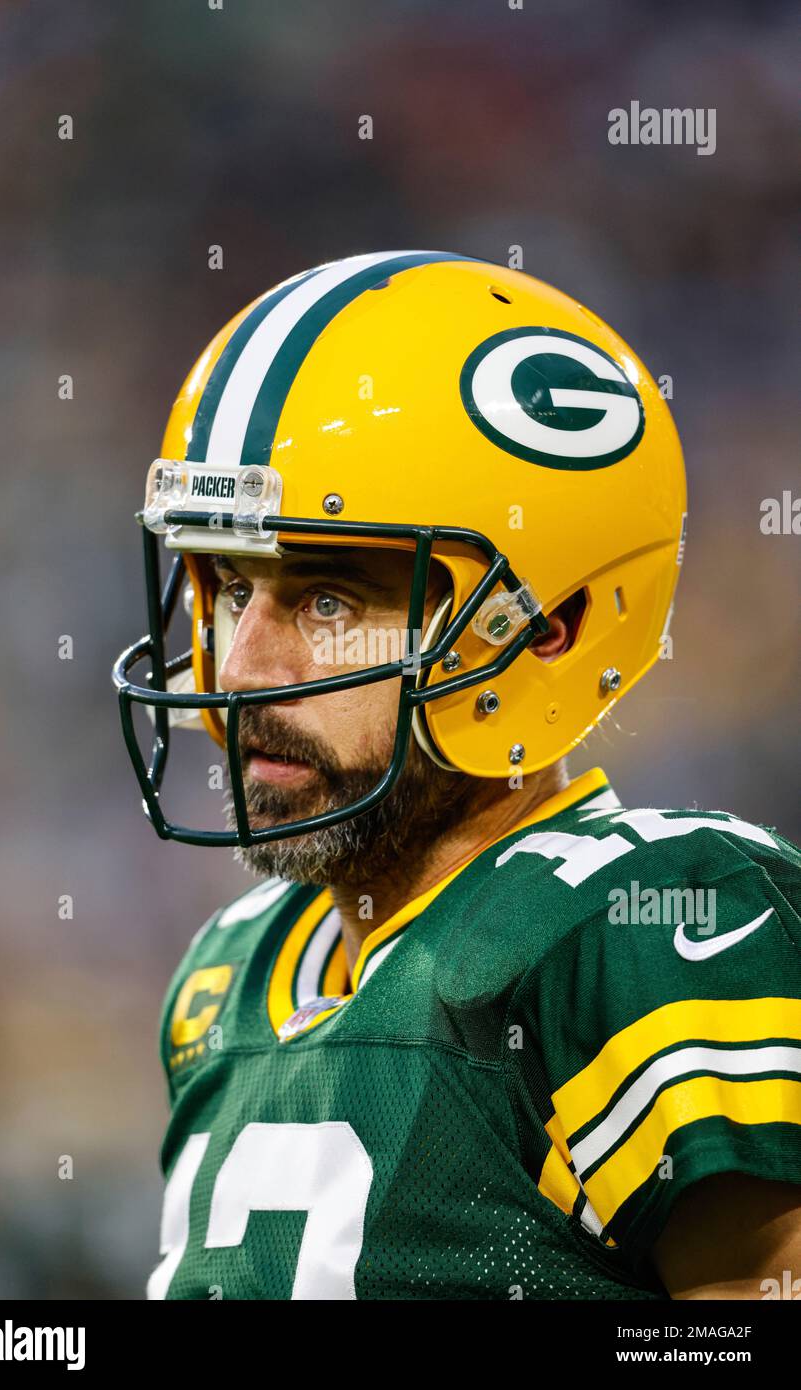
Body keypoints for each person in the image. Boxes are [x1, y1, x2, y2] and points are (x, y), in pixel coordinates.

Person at [113, 250, 801, 1300]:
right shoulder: (227, 976)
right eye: (231, 583)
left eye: (328, 598)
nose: (243, 666)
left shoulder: (645, 931)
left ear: (547, 628)